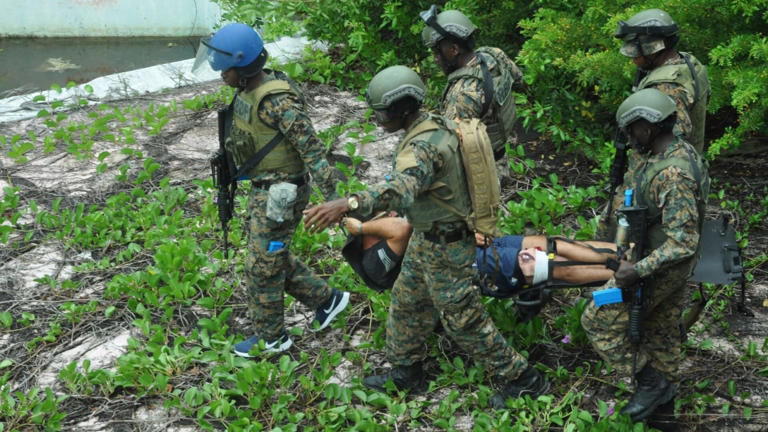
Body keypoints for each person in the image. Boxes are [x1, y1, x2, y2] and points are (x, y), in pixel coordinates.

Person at [303, 65, 548, 409]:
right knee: (408, 299)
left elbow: (402, 189)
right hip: (427, 236)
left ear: (402, 108)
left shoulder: (423, 147)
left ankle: (525, 379)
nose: (378, 119)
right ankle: (407, 371)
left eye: (383, 112)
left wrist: (349, 204)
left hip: (447, 244)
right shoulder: (432, 124)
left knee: (463, 320)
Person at [201, 23, 350, 357]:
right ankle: (328, 300)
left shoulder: (277, 101)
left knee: (262, 266)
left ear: (244, 67)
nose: (220, 72)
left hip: (281, 194)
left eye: (226, 67)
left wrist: (336, 200)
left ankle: (272, 338)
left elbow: (311, 149)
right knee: (269, 257)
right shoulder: (247, 91)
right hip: (263, 188)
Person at [581, 88, 710, 422]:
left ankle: (651, 385)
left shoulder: (673, 173)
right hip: (663, 263)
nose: (630, 136)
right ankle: (663, 417)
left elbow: (683, 240)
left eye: (633, 129)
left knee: (598, 319)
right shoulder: (671, 153)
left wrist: (637, 271)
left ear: (649, 128)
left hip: (662, 267)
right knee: (662, 336)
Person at [341, 214, 616, 297]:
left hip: (477, 247)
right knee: (553, 269)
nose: (389, 214)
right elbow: (401, 227)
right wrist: (361, 226)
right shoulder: (374, 262)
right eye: (381, 216)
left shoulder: (386, 239)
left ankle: (623, 254)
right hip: (475, 267)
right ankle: (622, 272)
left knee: (553, 244)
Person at [420, 5, 524, 161]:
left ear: (454, 49)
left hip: (484, 166)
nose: (436, 59)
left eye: (437, 52)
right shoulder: (493, 54)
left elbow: (450, 150)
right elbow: (519, 81)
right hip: (502, 147)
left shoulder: (462, 94)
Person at [614, 8, 710, 154]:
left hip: (668, 173)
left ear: (652, 47)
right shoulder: (687, 62)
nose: (633, 59)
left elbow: (673, 147)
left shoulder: (665, 86)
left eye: (635, 52)